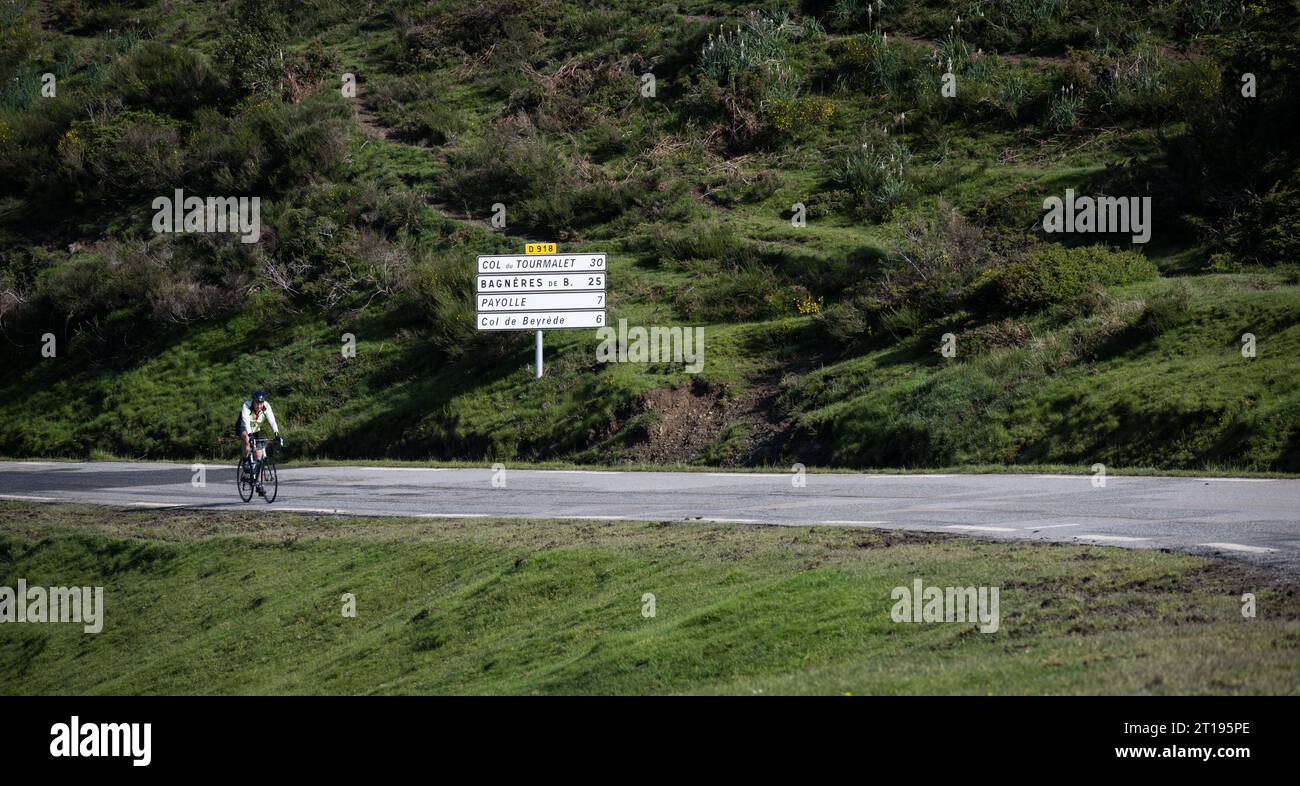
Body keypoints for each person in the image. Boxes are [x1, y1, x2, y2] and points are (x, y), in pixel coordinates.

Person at [236, 389, 282, 495]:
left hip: (256, 430)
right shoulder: (246, 405)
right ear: (253, 401)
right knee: (247, 440)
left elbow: (272, 420)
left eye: (261, 403)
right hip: (243, 427)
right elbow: (246, 421)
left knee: (259, 458)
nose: (259, 405)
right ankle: (245, 460)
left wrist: (276, 433)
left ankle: (259, 484)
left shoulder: (266, 406)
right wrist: (250, 435)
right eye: (257, 402)